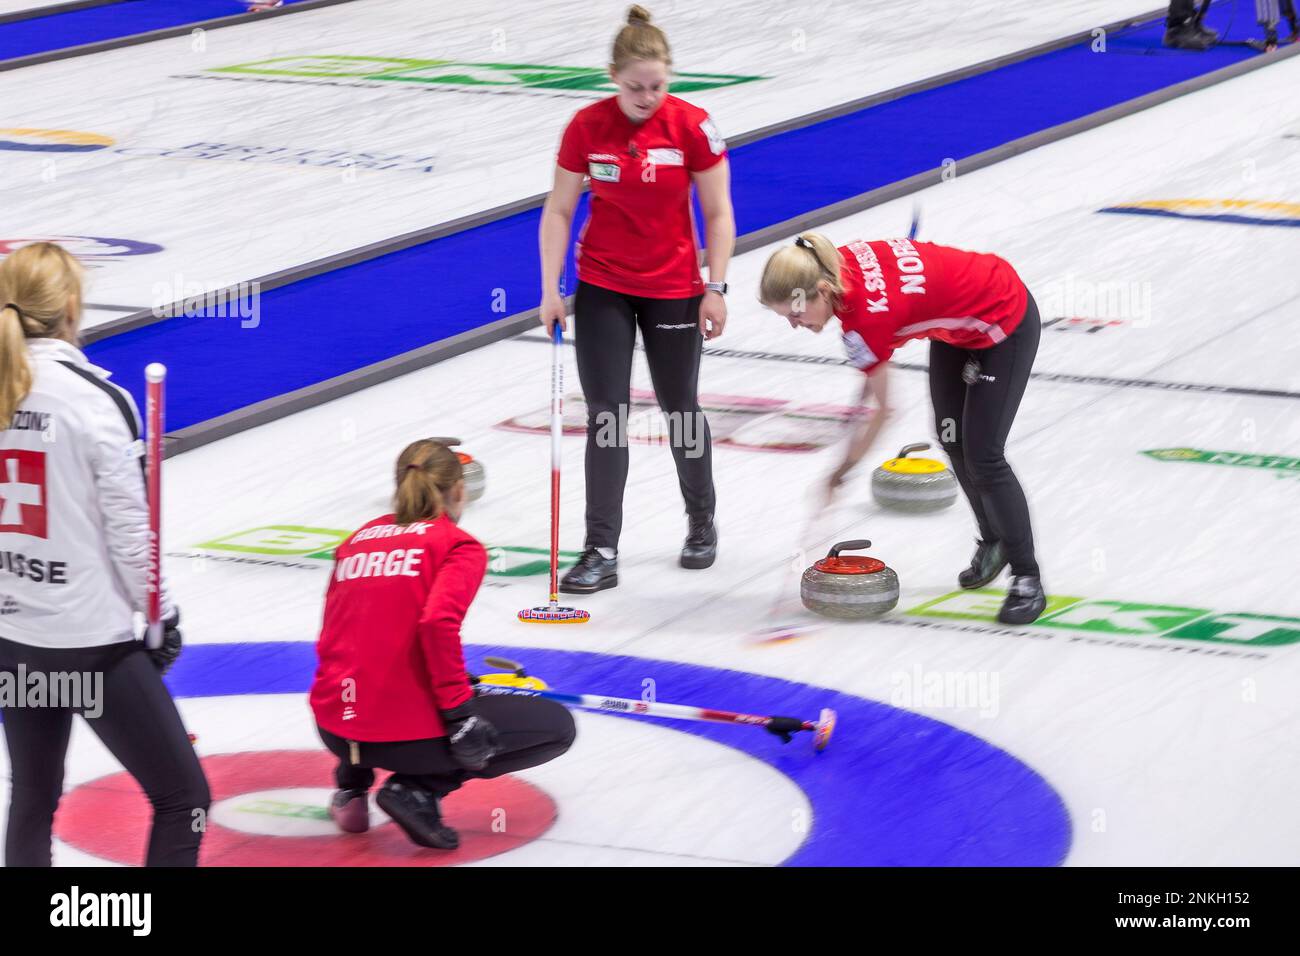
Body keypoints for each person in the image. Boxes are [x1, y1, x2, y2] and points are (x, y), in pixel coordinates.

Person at [0, 241, 208, 866]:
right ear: (70, 306)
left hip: (14, 640)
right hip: (91, 647)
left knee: (33, 796)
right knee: (184, 797)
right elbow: (128, 534)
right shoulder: (94, 398)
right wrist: (162, 618)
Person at [538, 5, 736, 593]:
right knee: (607, 417)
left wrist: (716, 286)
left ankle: (701, 520)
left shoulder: (693, 127)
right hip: (603, 287)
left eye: (657, 86)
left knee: (681, 412)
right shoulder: (585, 126)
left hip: (674, 289)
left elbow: (720, 214)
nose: (647, 97)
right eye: (634, 88)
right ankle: (600, 548)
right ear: (612, 77)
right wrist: (550, 289)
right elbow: (559, 209)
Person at [758, 233, 1047, 625]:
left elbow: (885, 410)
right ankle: (994, 539)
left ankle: (1027, 578)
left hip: (1003, 319)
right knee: (951, 436)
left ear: (823, 291)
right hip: (957, 328)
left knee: (984, 455)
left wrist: (842, 471)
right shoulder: (829, 262)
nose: (795, 324)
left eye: (795, 314)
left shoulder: (862, 322)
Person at [310, 440, 575, 849]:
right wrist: (459, 714)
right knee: (557, 727)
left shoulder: (357, 539)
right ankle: (419, 788)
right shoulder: (456, 545)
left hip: (334, 728)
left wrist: (455, 679)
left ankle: (350, 788)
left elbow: (343, 636)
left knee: (359, 674)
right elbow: (436, 625)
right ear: (458, 491)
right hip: (403, 740)